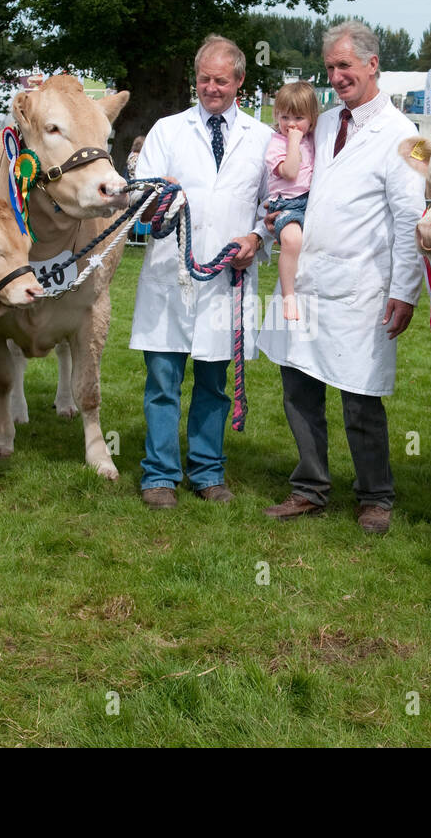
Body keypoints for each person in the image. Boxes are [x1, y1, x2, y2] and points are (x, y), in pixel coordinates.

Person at [257, 20, 425, 535]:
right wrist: (274, 221)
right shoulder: (325, 123)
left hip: (361, 288)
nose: (336, 76)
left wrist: (404, 291)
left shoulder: (403, 137)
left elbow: (409, 219)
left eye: (345, 66)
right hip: (307, 280)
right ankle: (310, 486)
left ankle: (376, 495)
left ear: (373, 64)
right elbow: (299, 186)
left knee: (360, 396)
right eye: (330, 67)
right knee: (298, 388)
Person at [129, 34, 272, 509]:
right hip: (171, 275)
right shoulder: (167, 130)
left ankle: (208, 472)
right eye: (203, 79)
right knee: (163, 381)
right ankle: (160, 475)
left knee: (213, 384)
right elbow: (137, 198)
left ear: (240, 81)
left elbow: (273, 206)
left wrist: (257, 239)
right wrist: (155, 193)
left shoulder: (263, 138)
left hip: (227, 279)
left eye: (221, 80)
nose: (211, 88)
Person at [265, 82, 319, 320]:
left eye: (298, 117)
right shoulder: (277, 143)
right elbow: (290, 172)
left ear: (312, 119)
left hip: (310, 202)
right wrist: (294, 142)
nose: (291, 124)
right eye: (285, 117)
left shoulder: (314, 140)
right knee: (292, 240)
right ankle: (288, 296)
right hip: (285, 203)